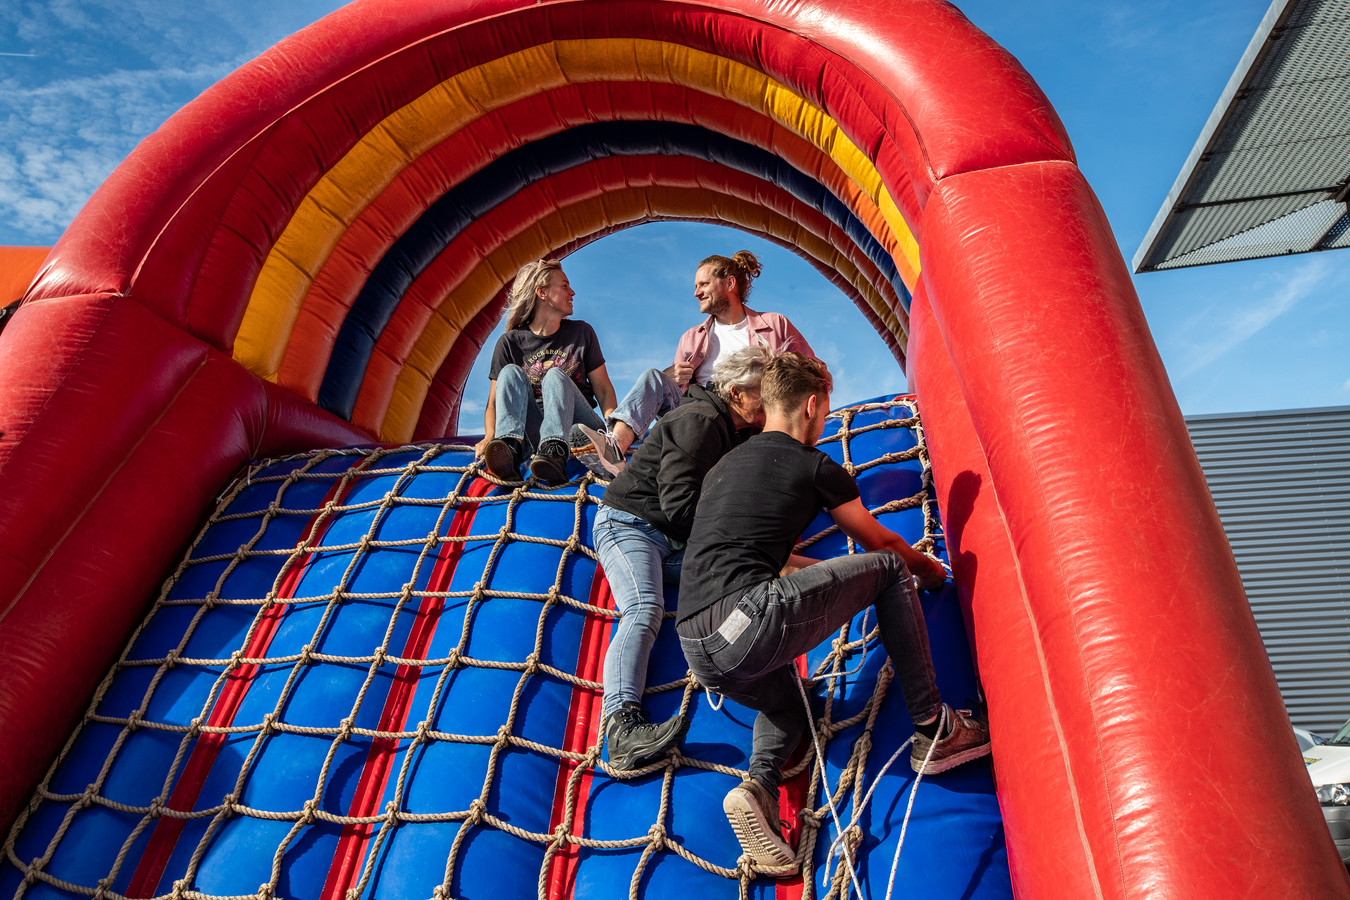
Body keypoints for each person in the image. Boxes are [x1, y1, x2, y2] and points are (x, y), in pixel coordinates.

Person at [676, 353, 991, 871]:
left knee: (788, 704)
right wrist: (928, 572)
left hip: (699, 644)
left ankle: (759, 787)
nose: (823, 421)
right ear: (811, 405)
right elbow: (882, 545)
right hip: (750, 620)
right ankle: (935, 728)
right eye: (824, 411)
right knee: (889, 568)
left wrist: (839, 579)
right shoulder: (813, 465)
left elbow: (775, 562)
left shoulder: (724, 469)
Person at [593, 344, 772, 771]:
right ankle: (620, 726)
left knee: (745, 573)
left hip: (672, 540)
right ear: (737, 393)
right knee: (644, 608)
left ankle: (772, 682)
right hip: (630, 525)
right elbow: (679, 505)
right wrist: (726, 544)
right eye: (762, 394)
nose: (768, 403)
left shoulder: (737, 431)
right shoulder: (700, 420)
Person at [575, 250, 813, 477]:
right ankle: (615, 448)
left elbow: (814, 374)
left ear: (729, 284)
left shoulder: (774, 325)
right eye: (695, 286)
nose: (696, 293)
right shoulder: (692, 338)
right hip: (700, 419)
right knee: (653, 377)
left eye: (703, 284)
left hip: (748, 423)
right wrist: (670, 376)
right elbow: (678, 396)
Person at [476, 260, 619, 485]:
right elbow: (494, 402)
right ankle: (510, 449)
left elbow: (603, 390)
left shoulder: (582, 332)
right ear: (542, 293)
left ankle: (555, 450)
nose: (572, 292)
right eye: (564, 286)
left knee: (554, 376)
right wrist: (489, 436)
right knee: (510, 373)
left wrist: (614, 434)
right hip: (537, 435)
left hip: (578, 429)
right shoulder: (509, 343)